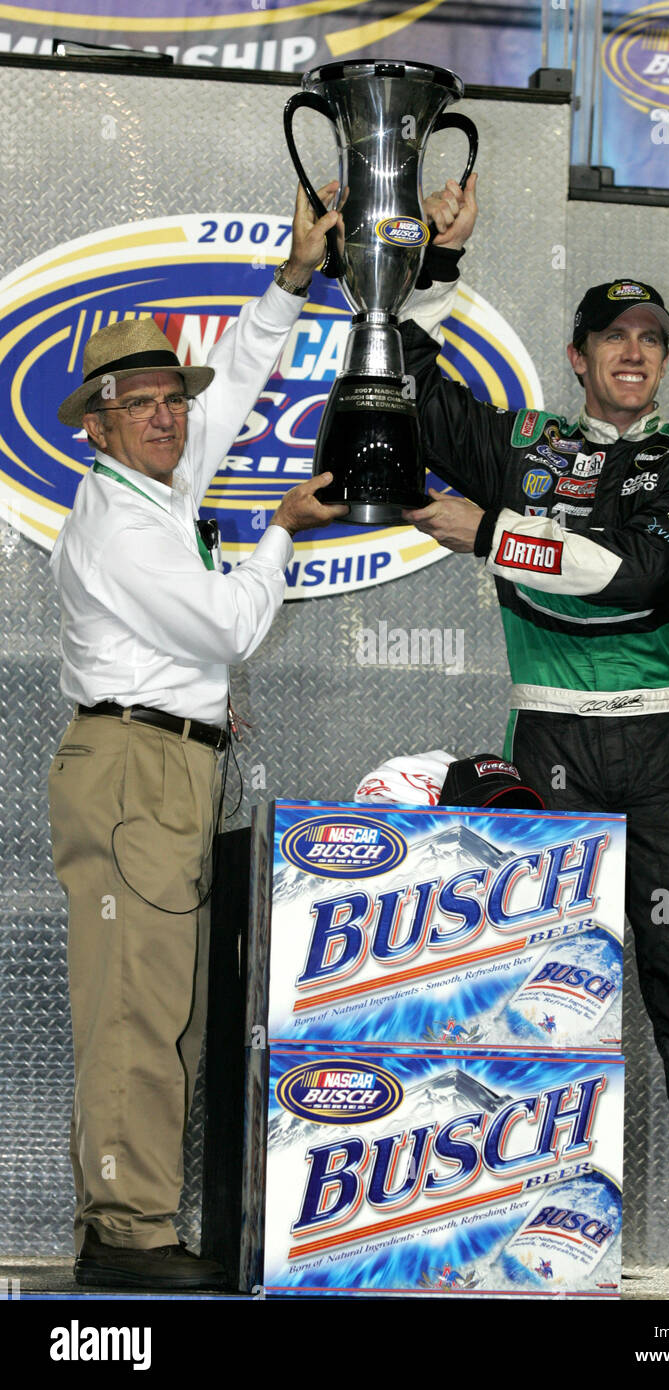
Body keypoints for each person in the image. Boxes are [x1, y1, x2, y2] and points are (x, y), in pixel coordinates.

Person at [400, 176, 669, 1301]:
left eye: (650, 339)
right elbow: (422, 398)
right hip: (550, 749)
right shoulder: (526, 444)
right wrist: (435, 264)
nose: (634, 352)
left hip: (658, 757)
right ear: (575, 356)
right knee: (532, 994)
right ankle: (520, 1234)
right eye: (613, 337)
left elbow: (636, 581)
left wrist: (494, 535)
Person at [48, 183, 348, 1290]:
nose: (171, 416)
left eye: (175, 397)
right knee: (136, 1004)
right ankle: (126, 1240)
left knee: (159, 1003)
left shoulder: (156, 491)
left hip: (158, 766)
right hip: (136, 771)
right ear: (101, 422)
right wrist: (276, 533)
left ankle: (128, 1226)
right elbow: (228, 620)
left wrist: (291, 278)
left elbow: (239, 393)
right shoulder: (123, 529)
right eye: (144, 403)